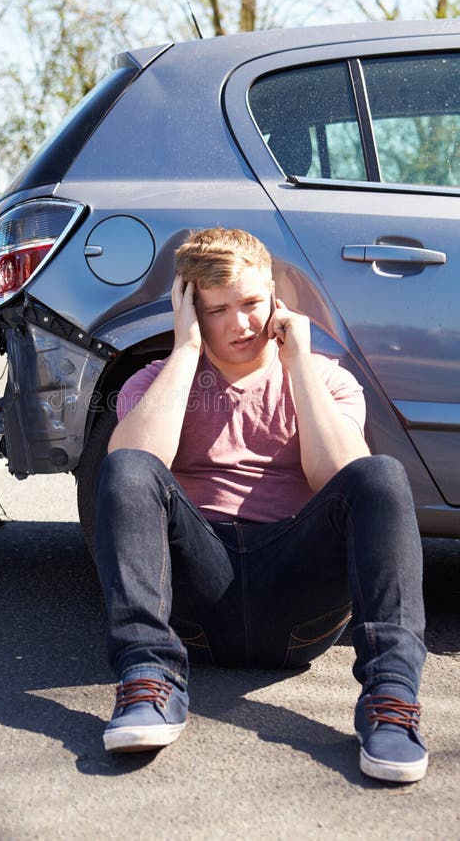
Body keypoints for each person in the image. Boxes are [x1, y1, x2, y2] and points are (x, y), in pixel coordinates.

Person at [93, 227, 427, 783]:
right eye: (217, 310)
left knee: (381, 474)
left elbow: (339, 477)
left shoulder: (328, 380)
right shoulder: (154, 383)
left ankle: (390, 701)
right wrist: (185, 350)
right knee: (126, 462)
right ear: (190, 310)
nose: (241, 324)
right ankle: (149, 679)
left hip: (299, 610)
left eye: (250, 303)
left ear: (274, 297)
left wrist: (298, 365)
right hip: (197, 606)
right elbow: (135, 468)